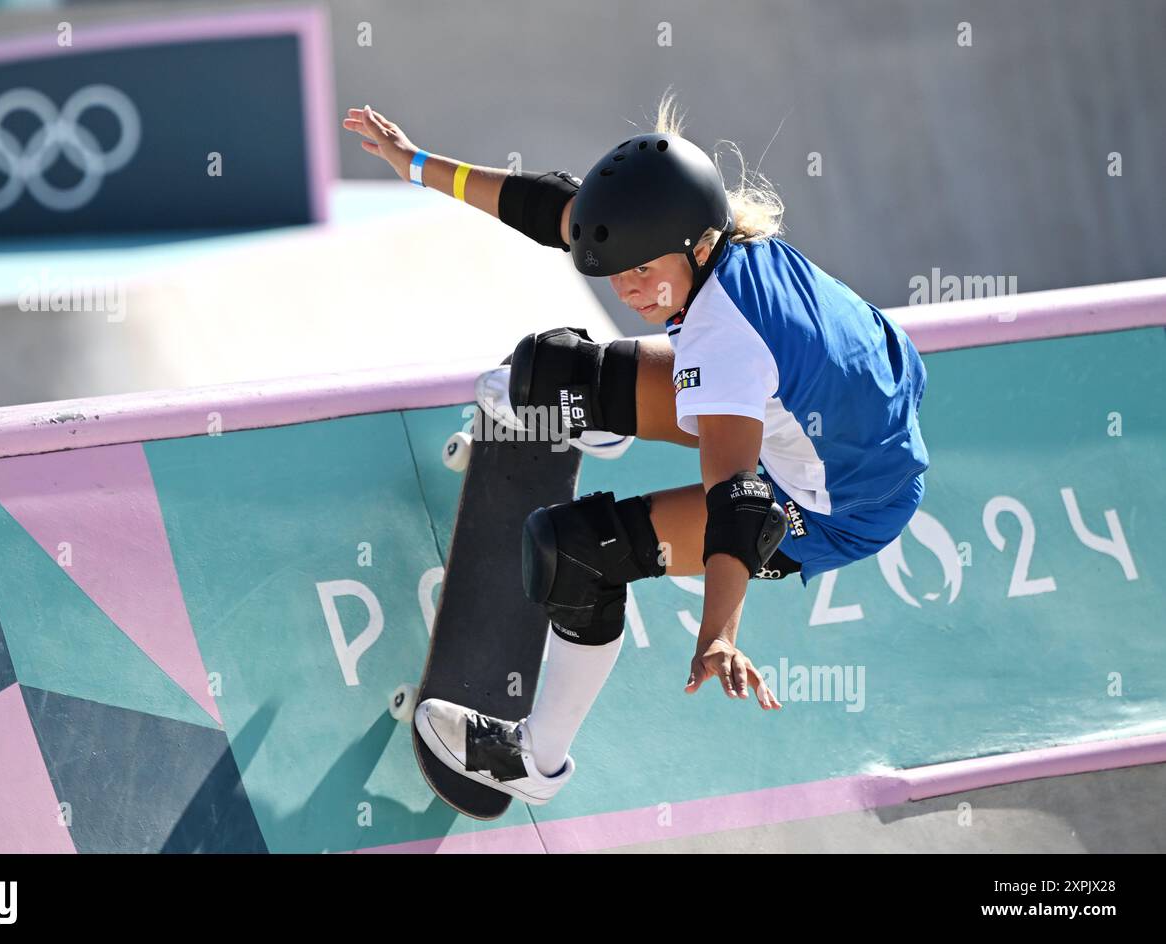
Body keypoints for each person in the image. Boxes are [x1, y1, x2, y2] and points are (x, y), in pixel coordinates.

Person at [342, 94, 929, 807]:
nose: (627, 290)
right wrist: (415, 163)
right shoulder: (710, 241)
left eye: (642, 273)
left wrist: (719, 632)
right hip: (822, 422)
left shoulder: (725, 337)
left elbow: (737, 504)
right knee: (552, 372)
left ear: (696, 246)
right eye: (613, 272)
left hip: (838, 505)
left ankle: (534, 760)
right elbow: (541, 205)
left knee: (578, 552)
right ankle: (607, 417)